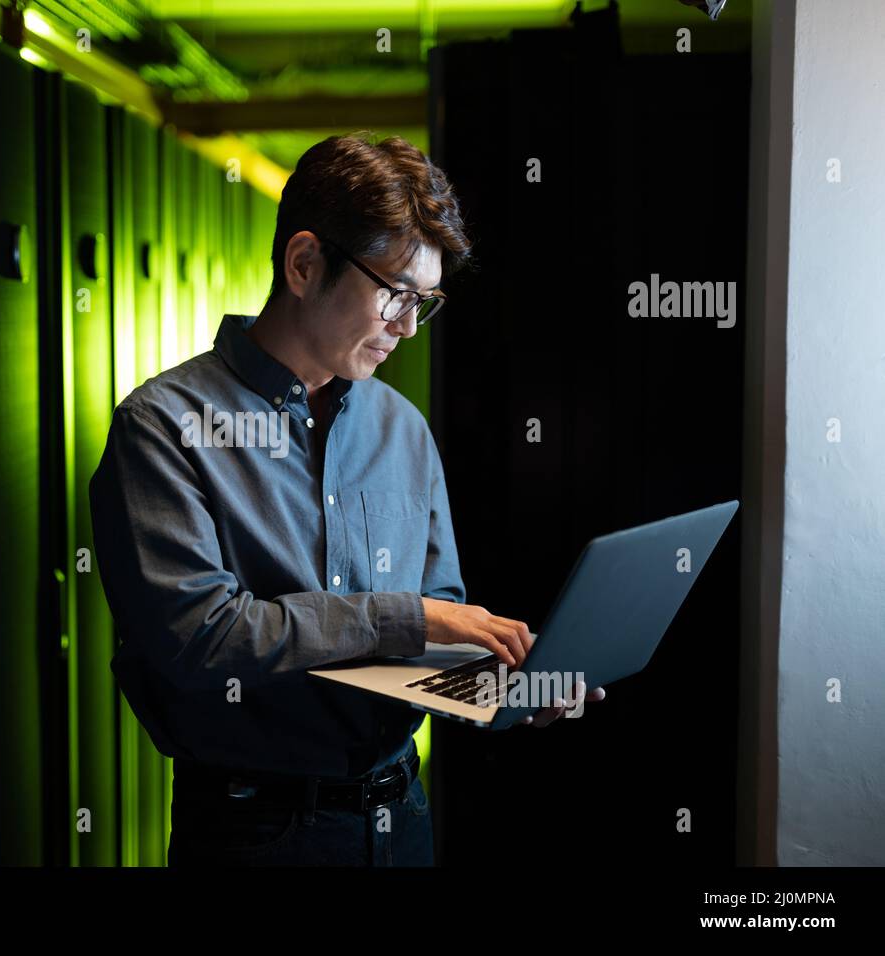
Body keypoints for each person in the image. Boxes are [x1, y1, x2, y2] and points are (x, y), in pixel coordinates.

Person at [89, 133, 602, 867]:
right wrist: (406, 617)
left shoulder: (403, 428)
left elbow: (433, 626)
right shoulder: (164, 426)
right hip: (254, 834)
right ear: (304, 264)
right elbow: (198, 639)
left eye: (423, 302)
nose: (405, 327)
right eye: (393, 292)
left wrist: (502, 690)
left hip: (402, 818)